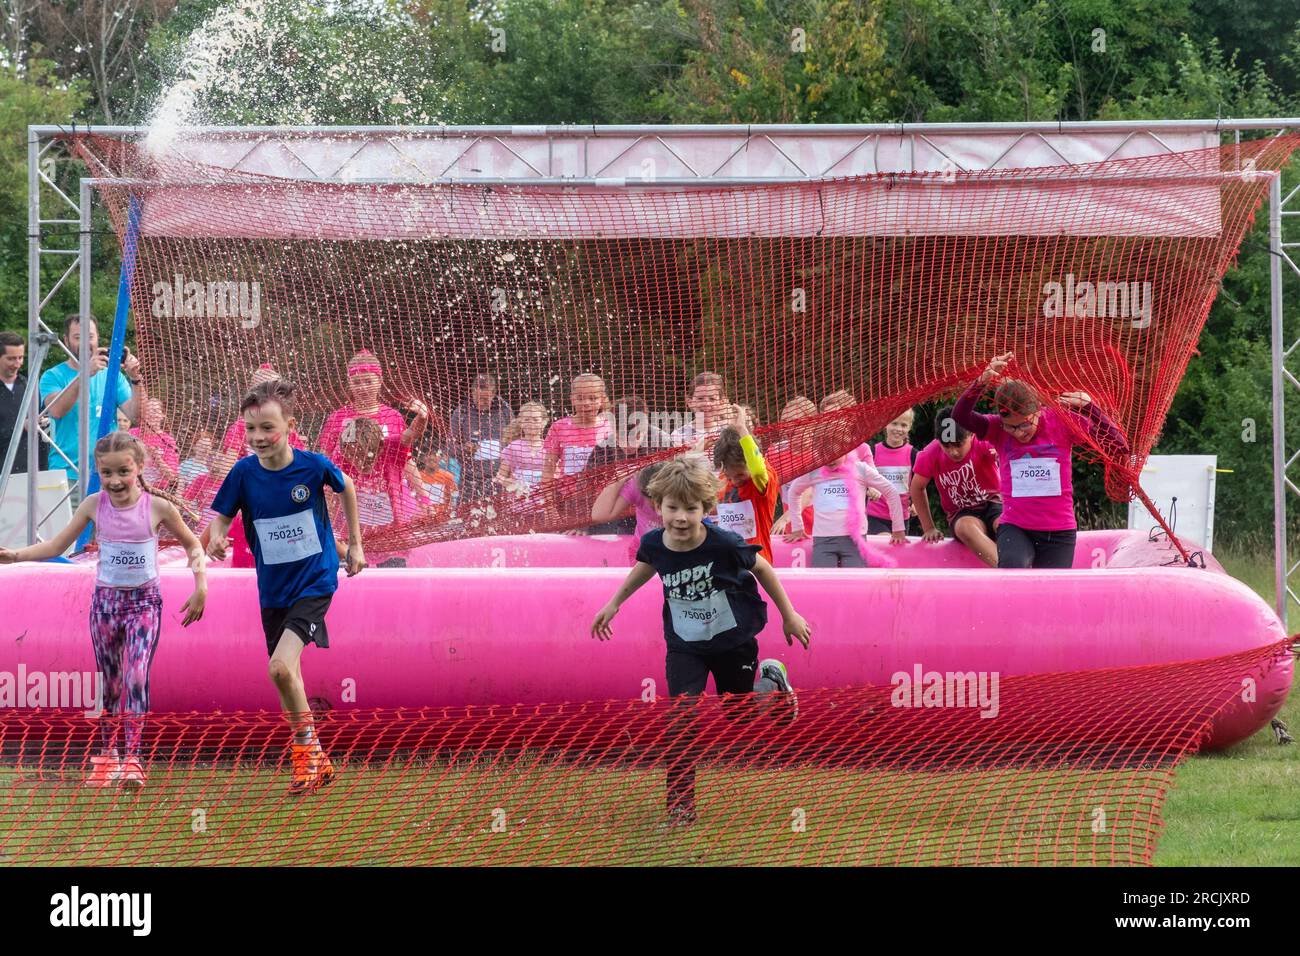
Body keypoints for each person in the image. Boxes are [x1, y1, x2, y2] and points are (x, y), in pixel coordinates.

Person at [591, 455, 811, 823]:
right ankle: (681, 805)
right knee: (681, 718)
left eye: (690, 509)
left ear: (706, 509)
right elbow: (645, 567)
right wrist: (614, 603)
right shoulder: (655, 543)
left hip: (732, 641)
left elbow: (763, 568)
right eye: (672, 508)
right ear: (657, 506)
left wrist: (790, 615)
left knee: (739, 717)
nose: (680, 517)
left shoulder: (723, 543)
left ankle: (770, 682)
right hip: (685, 645)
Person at [0, 431, 206, 789]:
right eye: (106, 473)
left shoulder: (157, 507)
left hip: (144, 605)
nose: (115, 481)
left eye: (123, 471)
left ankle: (134, 759)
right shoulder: (94, 505)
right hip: (106, 607)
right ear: (98, 471)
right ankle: (108, 754)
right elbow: (57, 543)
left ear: (139, 467)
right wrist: (15, 555)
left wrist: (201, 586)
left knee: (137, 676)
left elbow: (193, 545)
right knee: (110, 683)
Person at [204, 378, 366, 795]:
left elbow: (345, 485)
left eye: (267, 429)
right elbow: (221, 517)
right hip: (273, 589)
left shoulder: (311, 466)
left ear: (290, 426)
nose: (258, 438)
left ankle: (305, 753)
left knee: (278, 666)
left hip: (315, 581)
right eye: (251, 430)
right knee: (286, 675)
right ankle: (316, 762)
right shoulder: (243, 473)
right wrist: (218, 536)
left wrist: (356, 546)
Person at [952, 351, 1129, 569]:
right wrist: (981, 383)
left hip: (1059, 531)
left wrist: (1090, 408)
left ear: (1038, 411)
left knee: (1052, 594)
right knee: (1012, 570)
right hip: (1016, 527)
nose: (1018, 433)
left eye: (1025, 424)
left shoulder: (1060, 422)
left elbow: (1118, 444)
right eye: (1012, 426)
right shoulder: (997, 429)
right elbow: (959, 416)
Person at [39, 315, 141, 501]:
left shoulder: (112, 375)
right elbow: (57, 410)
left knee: (110, 530)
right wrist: (85, 373)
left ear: (98, 338)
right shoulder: (52, 376)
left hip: (109, 476)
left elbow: (137, 416)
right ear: (66, 341)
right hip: (67, 475)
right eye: (78, 337)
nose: (86, 342)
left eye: (90, 336)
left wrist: (135, 379)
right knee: (68, 530)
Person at [782, 446, 906, 567]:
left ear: (846, 450)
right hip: (823, 540)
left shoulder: (861, 469)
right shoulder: (814, 472)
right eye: (823, 455)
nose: (829, 459)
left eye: (834, 454)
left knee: (856, 584)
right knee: (824, 584)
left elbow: (890, 491)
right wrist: (797, 527)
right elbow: (793, 492)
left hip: (854, 541)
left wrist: (898, 529)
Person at [911, 406, 1002, 567]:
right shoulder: (930, 454)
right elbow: (917, 487)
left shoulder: (984, 442)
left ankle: (1020, 567)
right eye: (947, 446)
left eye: (959, 444)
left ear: (972, 434)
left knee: (1005, 524)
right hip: (962, 512)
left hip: (994, 502)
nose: (953, 452)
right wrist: (928, 527)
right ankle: (1007, 571)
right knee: (965, 528)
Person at [317, 349, 428, 469]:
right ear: (350, 383)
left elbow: (405, 458)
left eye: (368, 381)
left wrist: (423, 417)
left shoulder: (392, 417)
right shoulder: (337, 418)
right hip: (345, 486)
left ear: (380, 381)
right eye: (357, 382)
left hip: (386, 486)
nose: (363, 387)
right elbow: (325, 458)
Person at [712, 407, 780, 564]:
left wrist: (742, 429)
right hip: (726, 562)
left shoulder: (762, 480)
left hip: (756, 564)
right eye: (730, 476)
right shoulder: (724, 479)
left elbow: (756, 469)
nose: (735, 481)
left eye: (740, 475)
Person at [449, 372, 515, 502]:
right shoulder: (461, 412)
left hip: (500, 477)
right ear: (473, 392)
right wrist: (464, 449)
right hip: (471, 479)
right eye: (478, 399)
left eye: (485, 399)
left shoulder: (504, 410)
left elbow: (516, 441)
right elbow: (449, 447)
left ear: (493, 393)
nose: (482, 404)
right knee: (467, 518)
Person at [541, 373, 611, 484]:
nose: (586, 403)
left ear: (602, 399)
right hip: (567, 496)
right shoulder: (559, 427)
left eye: (593, 398)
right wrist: (548, 498)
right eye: (580, 398)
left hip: (603, 496)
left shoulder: (609, 428)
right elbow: (549, 468)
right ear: (572, 399)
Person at [590, 461, 665, 561]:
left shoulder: (677, 487)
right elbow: (599, 515)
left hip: (673, 550)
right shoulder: (636, 485)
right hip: (642, 551)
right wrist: (617, 481)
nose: (657, 506)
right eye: (651, 498)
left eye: (661, 498)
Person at [866, 408, 922, 536]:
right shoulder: (873, 452)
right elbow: (862, 479)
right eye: (894, 423)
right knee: (886, 544)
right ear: (886, 424)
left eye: (903, 425)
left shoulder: (914, 454)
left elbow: (918, 485)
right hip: (875, 516)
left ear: (909, 427)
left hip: (901, 518)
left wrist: (916, 504)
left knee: (897, 553)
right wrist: (869, 488)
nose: (898, 429)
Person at [0, 331, 48, 473]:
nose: (17, 364)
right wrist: (22, 427)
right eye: (11, 359)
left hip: (30, 472)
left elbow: (42, 436)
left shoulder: (29, 385)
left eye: (21, 358)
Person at [495, 401, 548, 498]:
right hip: (519, 502)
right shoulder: (513, 447)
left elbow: (557, 475)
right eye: (527, 419)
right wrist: (512, 484)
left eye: (535, 420)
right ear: (521, 422)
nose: (531, 423)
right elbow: (500, 476)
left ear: (544, 422)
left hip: (543, 501)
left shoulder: (550, 448)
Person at [128, 397, 181, 491]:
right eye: (148, 410)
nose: (152, 413)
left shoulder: (168, 441)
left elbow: (172, 477)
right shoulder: (132, 434)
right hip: (132, 488)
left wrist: (156, 458)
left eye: (155, 411)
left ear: (162, 415)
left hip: (157, 491)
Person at [669, 371, 730, 446]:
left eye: (712, 399)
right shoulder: (679, 435)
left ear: (721, 402)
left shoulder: (729, 434)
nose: (706, 404)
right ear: (690, 402)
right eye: (700, 398)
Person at [417, 447, 459, 522]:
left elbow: (454, 496)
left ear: (439, 459)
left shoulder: (447, 476)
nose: (432, 458)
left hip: (442, 516)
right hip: (423, 516)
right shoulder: (417, 476)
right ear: (423, 459)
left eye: (434, 456)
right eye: (429, 456)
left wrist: (451, 512)